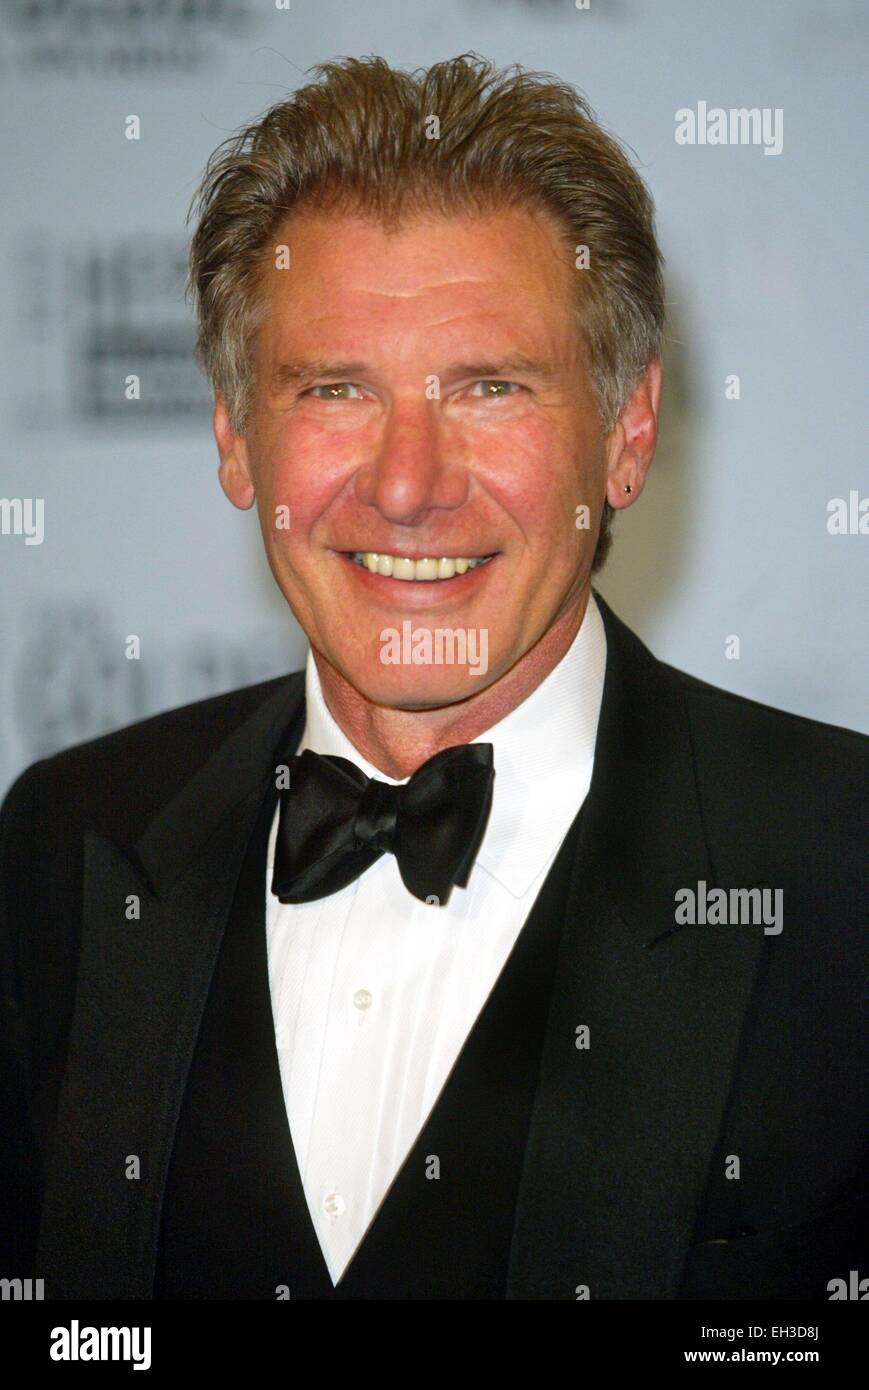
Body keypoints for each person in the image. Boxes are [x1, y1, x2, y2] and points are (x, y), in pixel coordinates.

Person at [0, 54, 865, 1301]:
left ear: (625, 431)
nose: (408, 482)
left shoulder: (841, 864)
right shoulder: (71, 846)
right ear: (237, 437)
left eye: (489, 386)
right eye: (336, 387)